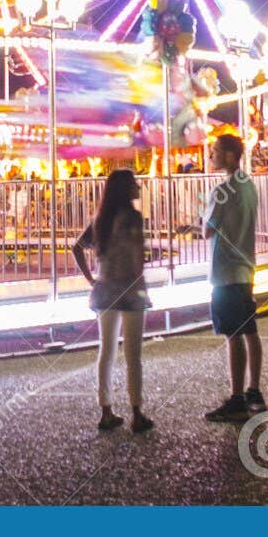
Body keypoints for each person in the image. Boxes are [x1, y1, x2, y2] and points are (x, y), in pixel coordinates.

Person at [72, 169, 154, 434]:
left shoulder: (100, 219)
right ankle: (137, 412)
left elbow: (77, 247)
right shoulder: (133, 218)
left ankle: (106, 410)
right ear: (125, 189)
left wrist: (91, 279)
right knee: (133, 356)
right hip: (131, 290)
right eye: (134, 184)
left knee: (106, 351)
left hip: (105, 289)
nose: (138, 187)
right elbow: (138, 257)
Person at [201, 134, 264, 422]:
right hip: (246, 266)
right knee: (249, 330)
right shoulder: (249, 186)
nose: (210, 156)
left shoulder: (223, 189)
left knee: (233, 335)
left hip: (226, 270)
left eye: (214, 152)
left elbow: (208, 229)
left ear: (228, 155)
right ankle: (253, 391)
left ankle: (237, 398)